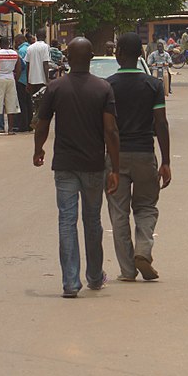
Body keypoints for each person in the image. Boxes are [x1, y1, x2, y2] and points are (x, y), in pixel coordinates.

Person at [33, 37, 120, 298]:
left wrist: (38, 149)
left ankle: (70, 283)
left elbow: (42, 123)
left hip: (65, 165)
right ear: (91, 57)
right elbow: (111, 131)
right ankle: (94, 276)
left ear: (67, 57)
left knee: (66, 221)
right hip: (94, 165)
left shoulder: (56, 87)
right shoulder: (103, 88)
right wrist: (115, 168)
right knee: (92, 220)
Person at [106, 32, 171, 282]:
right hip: (145, 153)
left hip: (116, 156)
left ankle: (127, 270)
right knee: (146, 207)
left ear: (118, 53)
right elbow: (161, 124)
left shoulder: (108, 86)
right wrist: (165, 161)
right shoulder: (153, 85)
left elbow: (107, 127)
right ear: (141, 55)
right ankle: (143, 250)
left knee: (118, 213)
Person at [0, 36, 21, 134]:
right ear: (9, 44)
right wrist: (15, 79)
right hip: (11, 79)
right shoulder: (16, 54)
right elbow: (18, 69)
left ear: (1, 44)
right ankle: (10, 129)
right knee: (11, 104)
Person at [25, 27, 51, 96]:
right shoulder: (45, 47)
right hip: (42, 80)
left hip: (31, 81)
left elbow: (27, 65)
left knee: (33, 102)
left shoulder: (30, 48)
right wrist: (47, 80)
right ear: (45, 36)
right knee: (42, 102)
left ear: (36, 36)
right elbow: (45, 64)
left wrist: (27, 81)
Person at [15, 33, 32, 131]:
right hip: (29, 79)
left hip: (22, 79)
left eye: (16, 42)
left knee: (22, 103)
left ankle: (23, 125)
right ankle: (29, 124)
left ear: (20, 41)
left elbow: (22, 65)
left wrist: (16, 77)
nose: (15, 44)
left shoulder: (21, 51)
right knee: (28, 103)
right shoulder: (30, 48)